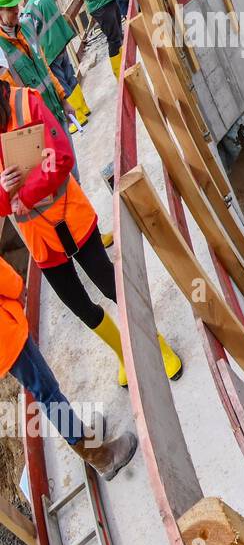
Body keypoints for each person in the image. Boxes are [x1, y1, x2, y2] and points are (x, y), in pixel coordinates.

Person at [0, 77, 182, 389]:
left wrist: (24, 195)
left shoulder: (26, 103)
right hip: (41, 239)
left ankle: (156, 344)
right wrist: (4, 193)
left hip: (71, 217)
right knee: (81, 306)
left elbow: (62, 156)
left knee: (112, 286)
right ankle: (125, 354)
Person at [0, 255, 136, 479]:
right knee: (49, 394)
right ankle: (102, 458)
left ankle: (87, 439)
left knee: (47, 392)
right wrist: (16, 287)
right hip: (7, 336)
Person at [16, 0, 90, 129]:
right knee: (70, 76)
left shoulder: (29, 10)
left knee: (62, 83)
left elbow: (30, 33)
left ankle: (78, 118)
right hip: (62, 41)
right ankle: (84, 108)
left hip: (49, 50)